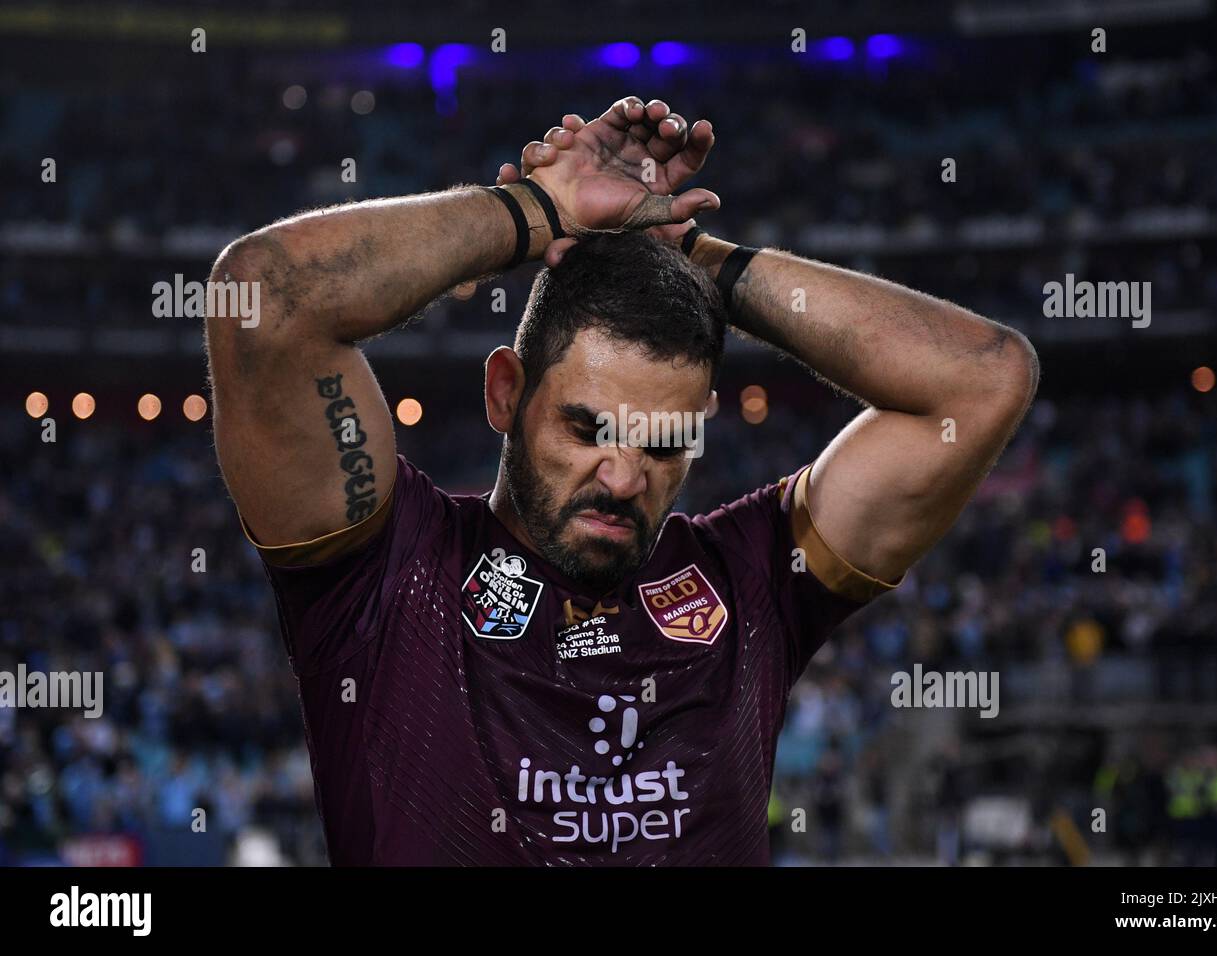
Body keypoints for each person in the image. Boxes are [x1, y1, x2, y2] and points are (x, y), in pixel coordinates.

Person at [204, 95, 1038, 864]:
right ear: (506, 392)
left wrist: (695, 259)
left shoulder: (752, 584)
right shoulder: (385, 576)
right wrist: (540, 213)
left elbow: (984, 378)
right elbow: (264, 297)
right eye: (588, 428)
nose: (623, 474)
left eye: (664, 439)